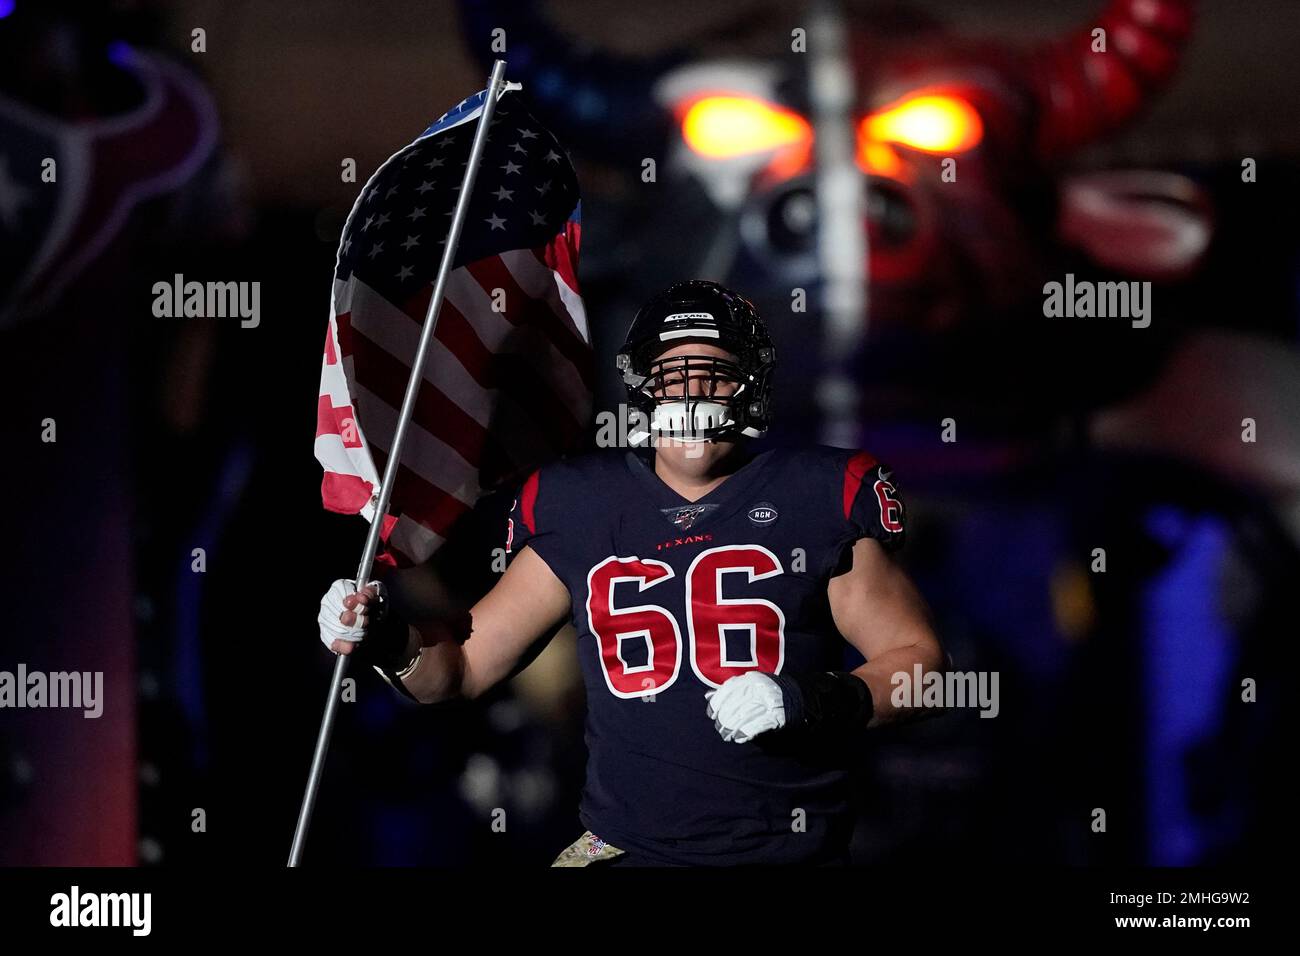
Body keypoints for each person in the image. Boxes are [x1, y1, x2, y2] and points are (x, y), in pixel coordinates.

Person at [318, 279, 945, 865]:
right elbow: (460, 668)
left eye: (714, 376)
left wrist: (807, 699)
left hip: (780, 850)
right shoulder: (579, 502)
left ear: (750, 385)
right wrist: (385, 636)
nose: (692, 394)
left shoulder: (818, 492)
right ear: (643, 387)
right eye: (673, 377)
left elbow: (921, 667)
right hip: (626, 849)